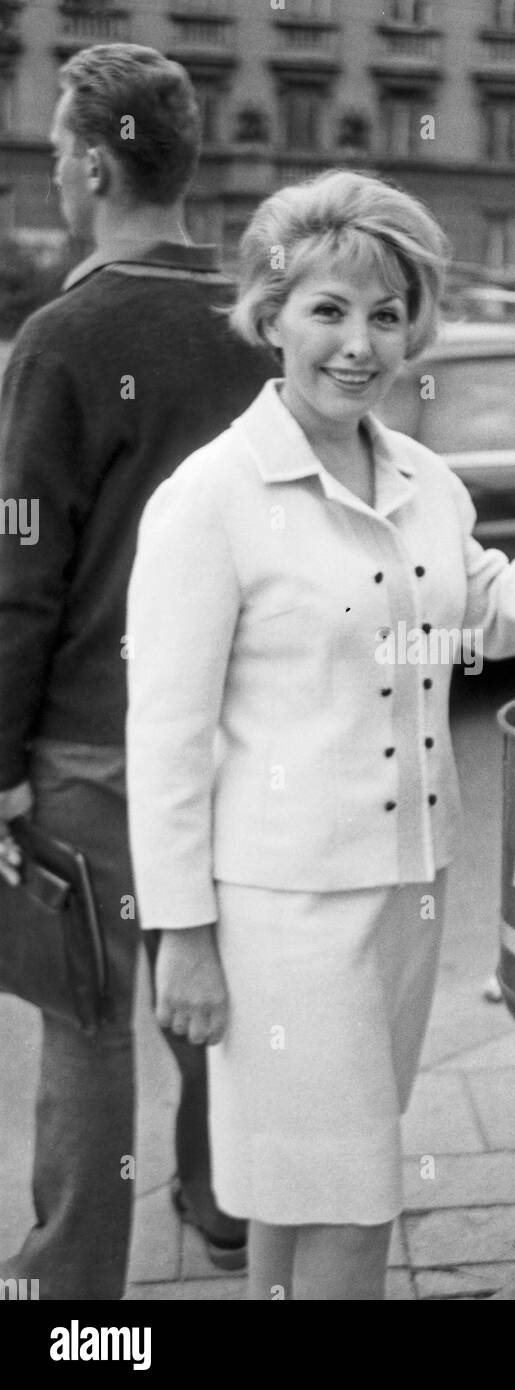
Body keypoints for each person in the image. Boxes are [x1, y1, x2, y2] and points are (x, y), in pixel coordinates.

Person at [124, 168, 515, 1302]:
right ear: (269, 315)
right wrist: (180, 931)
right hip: (285, 915)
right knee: (352, 1199)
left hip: (406, 891)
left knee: (304, 1185)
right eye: (327, 310)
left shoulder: (426, 482)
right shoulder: (211, 497)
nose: (358, 343)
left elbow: (484, 615)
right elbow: (166, 735)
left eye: (386, 315)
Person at [0, 43, 273, 1299]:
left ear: (98, 163)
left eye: (59, 151)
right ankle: (222, 1209)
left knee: (92, 1017)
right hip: (238, 732)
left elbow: (20, 576)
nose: (53, 172)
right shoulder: (256, 327)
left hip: (96, 744)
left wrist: (2, 769)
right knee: (210, 977)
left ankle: (71, 1291)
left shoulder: (61, 341)